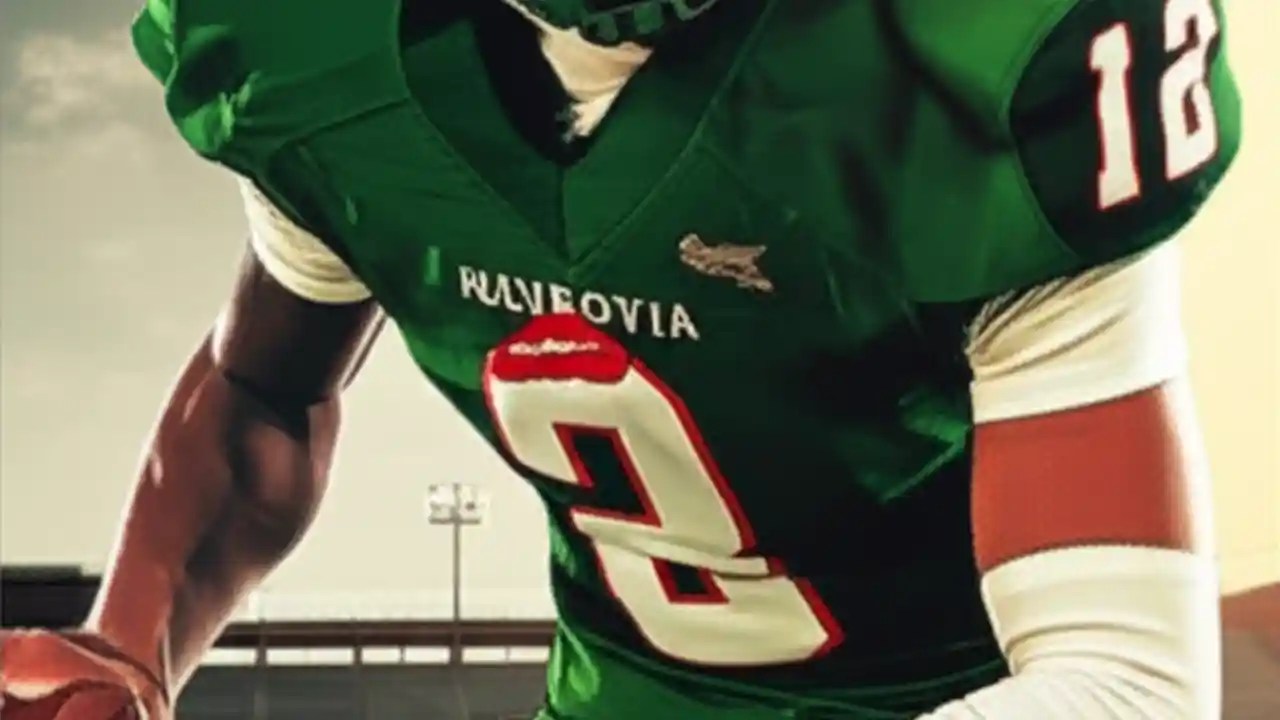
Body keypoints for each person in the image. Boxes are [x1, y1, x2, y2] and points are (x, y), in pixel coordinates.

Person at [0, 1, 1243, 718]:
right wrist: (132, 643)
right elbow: (262, 386)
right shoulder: (320, 51)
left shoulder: (972, 53)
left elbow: (1121, 683)